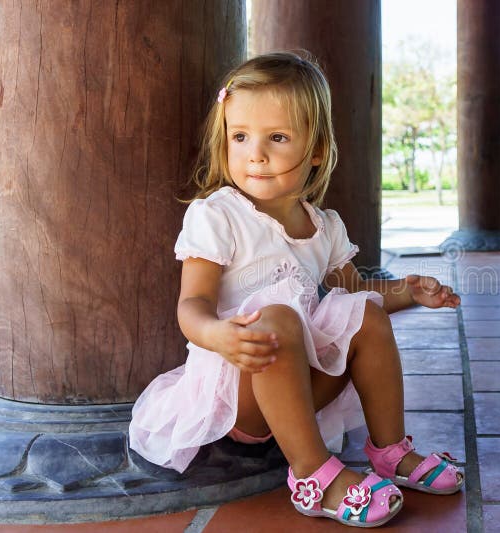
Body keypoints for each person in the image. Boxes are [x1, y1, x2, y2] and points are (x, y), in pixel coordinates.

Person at [129, 51, 463, 527]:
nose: (255, 153)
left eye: (277, 137)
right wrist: (217, 334)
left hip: (300, 391)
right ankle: (312, 475)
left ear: (317, 150)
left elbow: (354, 291)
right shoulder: (218, 215)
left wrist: (408, 293)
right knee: (278, 317)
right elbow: (192, 304)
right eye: (240, 136)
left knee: (364, 312)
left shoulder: (323, 225)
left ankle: (390, 450)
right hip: (237, 391)